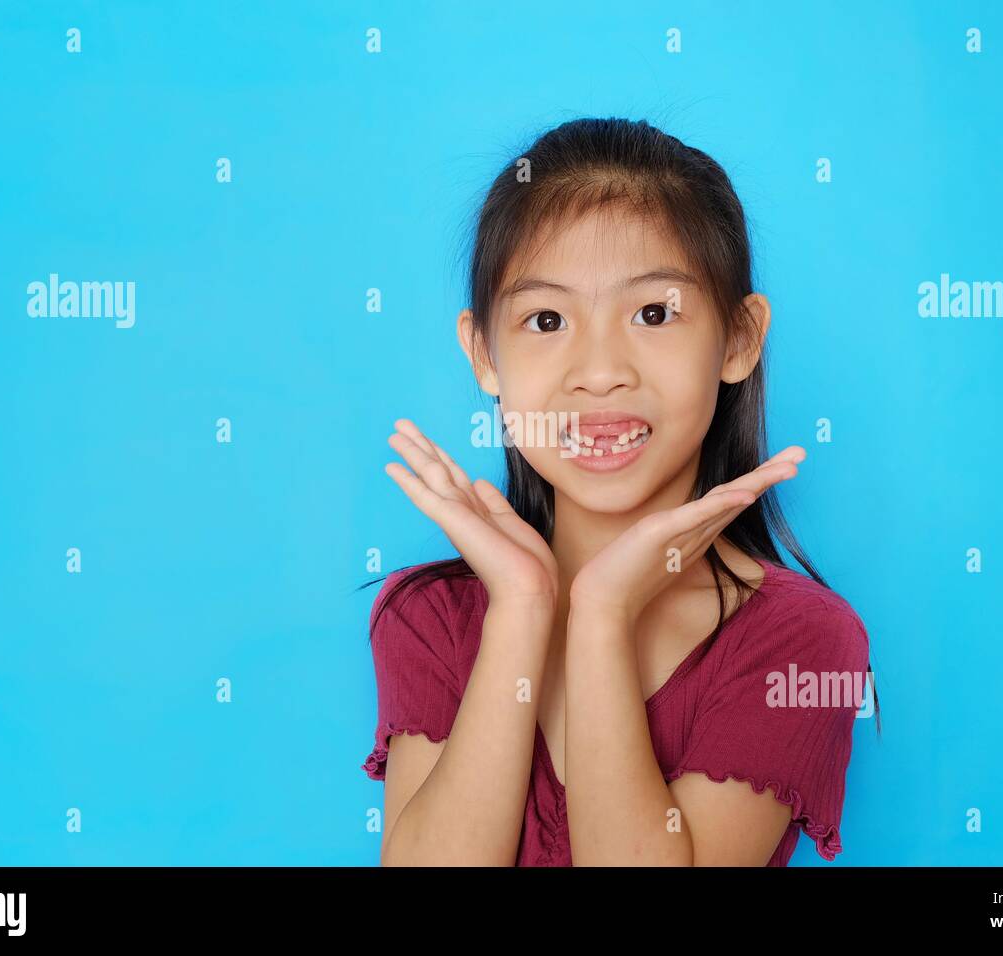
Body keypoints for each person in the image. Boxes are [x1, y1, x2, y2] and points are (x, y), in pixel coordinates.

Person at [361, 117, 877, 866]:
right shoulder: (430, 618)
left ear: (737, 339)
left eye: (654, 313)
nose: (599, 371)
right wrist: (523, 610)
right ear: (484, 355)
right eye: (546, 320)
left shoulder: (806, 643)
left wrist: (603, 617)